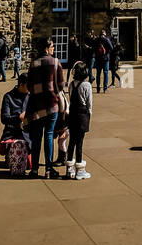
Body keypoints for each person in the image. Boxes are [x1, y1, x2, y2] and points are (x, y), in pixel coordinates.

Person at [23, 37, 65, 179]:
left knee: (36, 137)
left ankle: (34, 169)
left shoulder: (33, 64)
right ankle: (48, 169)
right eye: (52, 46)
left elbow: (28, 86)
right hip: (51, 104)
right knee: (48, 135)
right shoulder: (55, 62)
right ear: (47, 48)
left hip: (36, 105)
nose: (53, 48)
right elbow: (61, 85)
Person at [65, 61, 93, 179]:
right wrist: (89, 115)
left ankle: (69, 168)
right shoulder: (86, 85)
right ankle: (80, 170)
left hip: (73, 114)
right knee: (80, 142)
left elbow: (71, 98)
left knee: (72, 142)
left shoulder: (71, 84)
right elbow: (89, 103)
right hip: (82, 114)